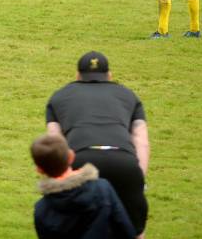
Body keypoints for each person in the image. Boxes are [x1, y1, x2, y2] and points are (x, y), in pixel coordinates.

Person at [45, 52, 149, 239]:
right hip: (124, 163)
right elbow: (141, 140)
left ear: (77, 75)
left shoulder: (59, 96)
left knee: (77, 229)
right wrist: (138, 176)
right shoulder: (128, 95)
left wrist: (59, 181)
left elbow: (54, 142)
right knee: (134, 232)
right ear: (109, 75)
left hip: (81, 161)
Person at [30, 132, 137, 239]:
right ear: (71, 156)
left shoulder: (41, 210)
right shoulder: (102, 189)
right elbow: (126, 230)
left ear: (39, 169)